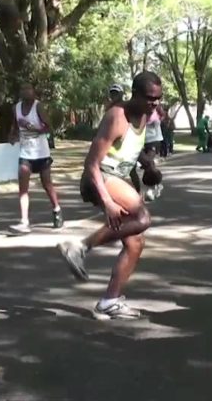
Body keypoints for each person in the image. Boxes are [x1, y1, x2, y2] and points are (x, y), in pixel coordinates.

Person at [56, 71, 163, 320]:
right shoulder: (116, 116)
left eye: (158, 98)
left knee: (135, 243)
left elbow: (128, 148)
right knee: (143, 218)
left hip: (116, 178)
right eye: (150, 98)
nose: (155, 103)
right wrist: (107, 202)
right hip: (97, 178)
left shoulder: (145, 115)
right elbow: (91, 163)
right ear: (135, 94)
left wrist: (148, 164)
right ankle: (80, 247)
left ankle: (109, 301)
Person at [8, 82, 63, 235]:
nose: (26, 91)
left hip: (41, 153)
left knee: (47, 184)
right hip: (25, 153)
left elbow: (49, 128)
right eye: (23, 89)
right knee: (23, 188)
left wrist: (33, 127)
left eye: (28, 89)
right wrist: (12, 136)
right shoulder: (16, 108)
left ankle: (57, 209)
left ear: (33, 91)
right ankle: (24, 221)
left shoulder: (38, 107)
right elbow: (15, 127)